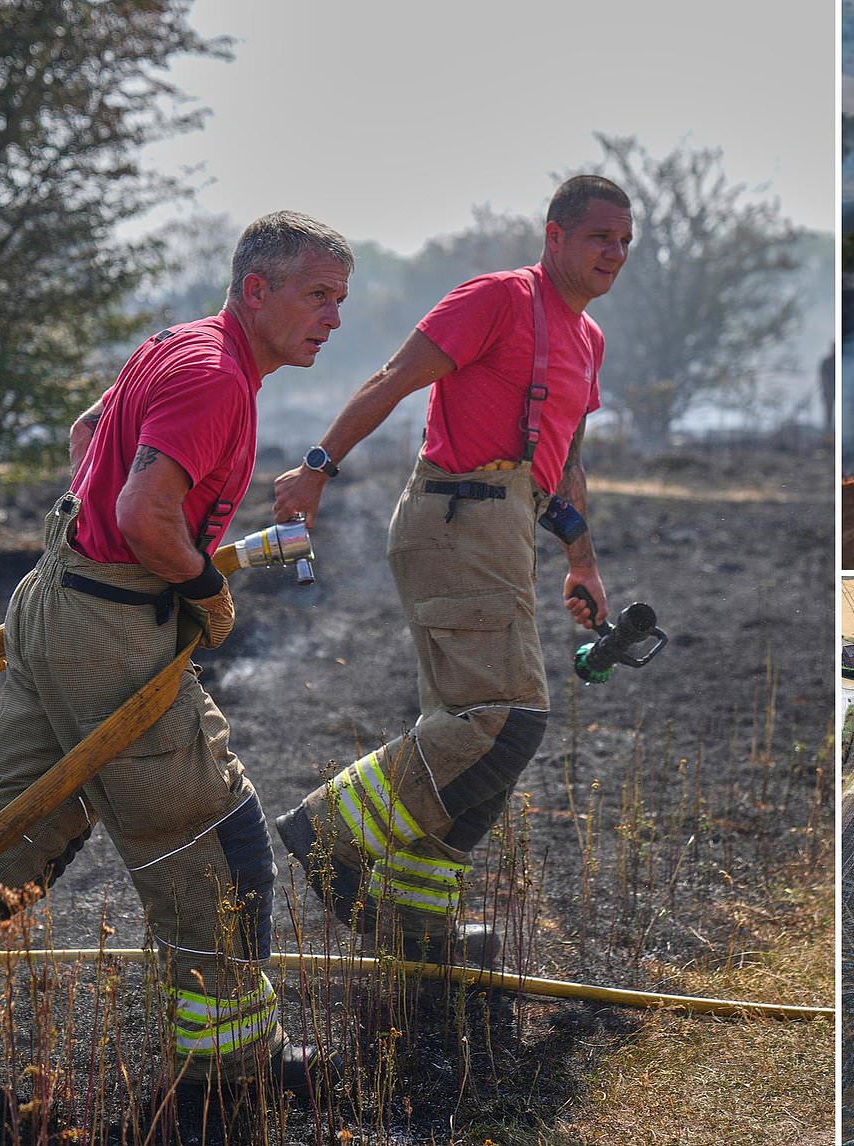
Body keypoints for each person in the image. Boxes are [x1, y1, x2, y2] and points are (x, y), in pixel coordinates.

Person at [0, 211, 353, 1131]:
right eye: (318, 297)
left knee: (12, 825)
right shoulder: (218, 376)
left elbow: (86, 433)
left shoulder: (181, 347)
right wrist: (199, 590)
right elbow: (149, 512)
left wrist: (94, 555)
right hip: (108, 623)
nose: (333, 320)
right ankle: (224, 1068)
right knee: (207, 827)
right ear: (256, 289)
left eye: (340, 301)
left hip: (63, 598)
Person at [269, 176, 630, 982]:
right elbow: (394, 378)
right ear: (555, 236)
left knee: (482, 726)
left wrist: (581, 558)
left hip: (507, 528)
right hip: (453, 518)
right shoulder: (499, 298)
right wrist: (318, 468)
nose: (615, 253)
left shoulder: (589, 340)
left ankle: (414, 920)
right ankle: (329, 833)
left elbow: (565, 458)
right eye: (601, 236)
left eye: (625, 241)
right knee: (508, 721)